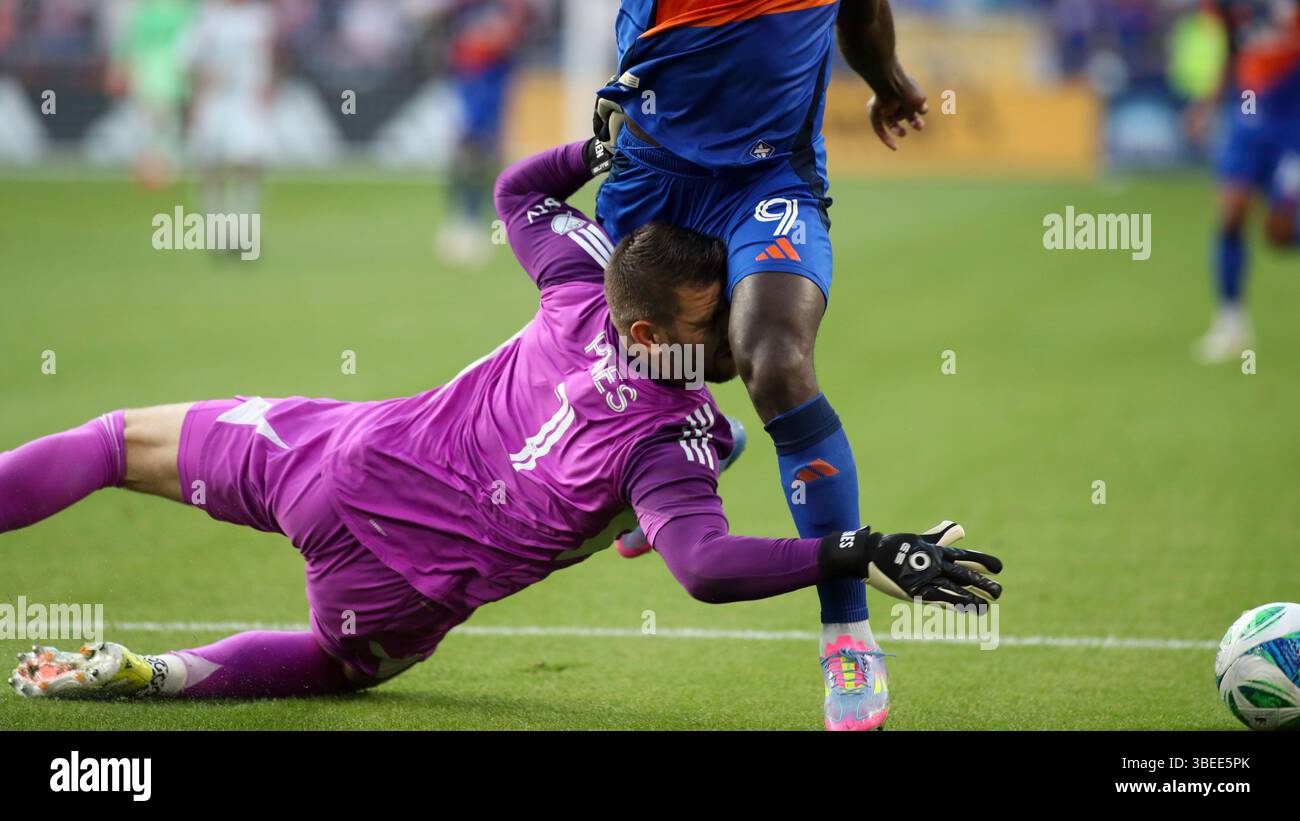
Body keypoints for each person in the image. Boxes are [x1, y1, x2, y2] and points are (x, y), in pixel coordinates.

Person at [3, 142, 1000, 707]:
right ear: (651, 328)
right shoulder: (672, 441)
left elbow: (520, 190)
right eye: (723, 315)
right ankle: (161, 677)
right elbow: (704, 567)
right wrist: (852, 547)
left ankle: (152, 665)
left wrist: (600, 148)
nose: (745, 328)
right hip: (392, 589)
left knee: (108, 442)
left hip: (327, 461)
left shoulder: (578, 289)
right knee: (334, 666)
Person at [591, 0, 929, 729]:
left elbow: (863, 10)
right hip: (652, 167)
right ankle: (702, 441)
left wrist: (888, 80)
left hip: (768, 181)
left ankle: (847, 636)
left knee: (772, 360)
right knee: (641, 362)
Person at [1192, 0, 1300, 362]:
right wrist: (1208, 103)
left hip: (1293, 118)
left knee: (1280, 232)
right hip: (1250, 109)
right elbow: (1231, 47)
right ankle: (1230, 322)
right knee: (1232, 211)